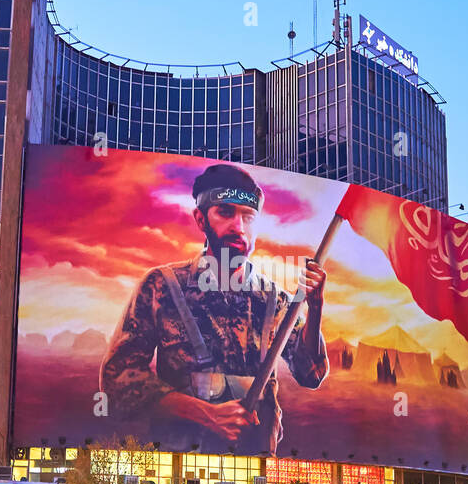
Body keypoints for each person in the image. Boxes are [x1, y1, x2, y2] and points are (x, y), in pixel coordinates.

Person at [101, 163, 330, 456]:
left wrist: (315, 306)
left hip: (257, 469)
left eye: (248, 216)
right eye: (225, 212)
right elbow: (118, 376)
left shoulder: (276, 301)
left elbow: (311, 374)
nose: (238, 226)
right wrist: (202, 412)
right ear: (200, 219)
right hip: (178, 467)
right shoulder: (162, 287)